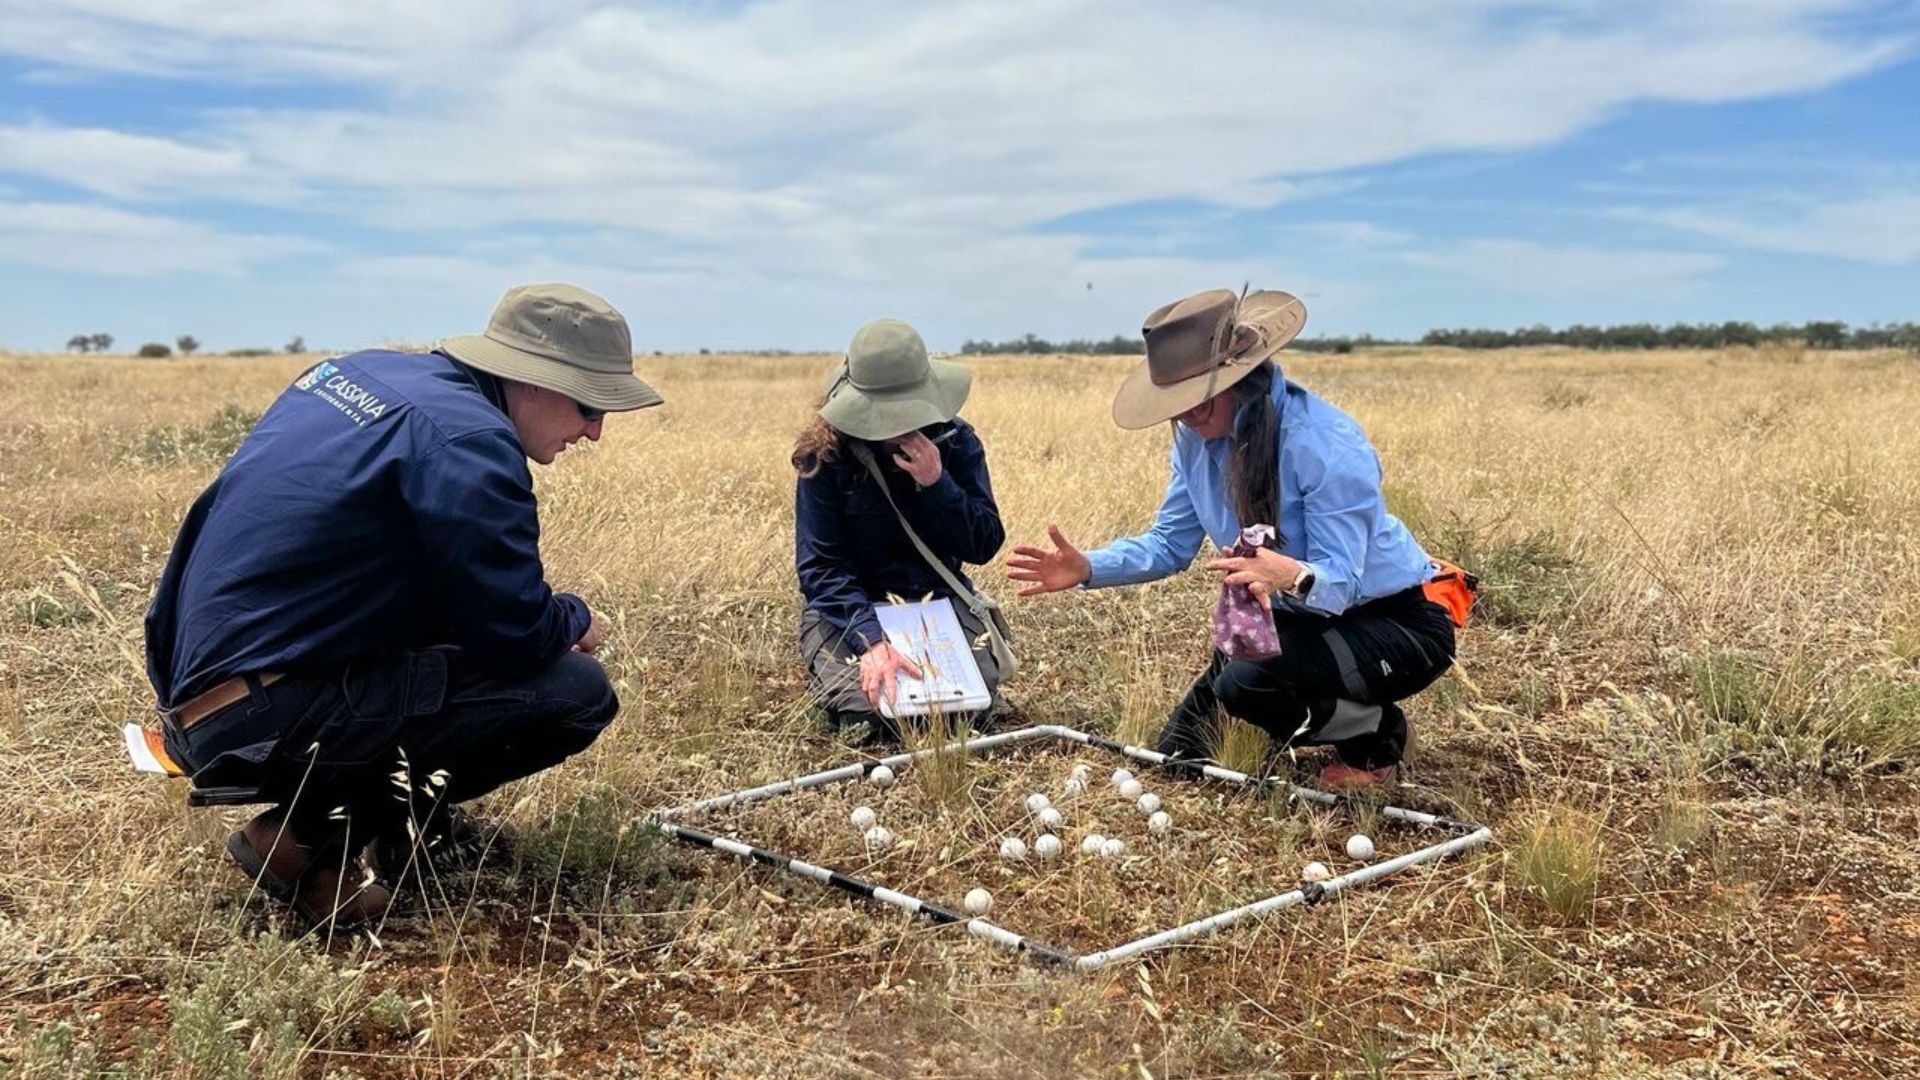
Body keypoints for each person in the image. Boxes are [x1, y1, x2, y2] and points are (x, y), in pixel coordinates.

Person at [145, 283, 662, 927]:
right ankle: (303, 838)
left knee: (450, 639)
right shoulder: (469, 441)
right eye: (590, 404)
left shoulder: (358, 374)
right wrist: (575, 618)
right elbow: (516, 634)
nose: (595, 431)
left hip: (204, 690)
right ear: (533, 378)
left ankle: (387, 840)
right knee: (575, 692)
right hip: (261, 716)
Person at [1006, 288, 1454, 791]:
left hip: (1391, 621)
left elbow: (1342, 582)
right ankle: (1302, 712)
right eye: (1175, 404)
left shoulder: (1324, 445)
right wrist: (1089, 567)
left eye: (1197, 400)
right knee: (1180, 754)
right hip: (1291, 622)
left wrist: (1291, 574)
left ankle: (1378, 733)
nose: (1185, 416)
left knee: (1247, 685)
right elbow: (1169, 545)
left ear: (1239, 379)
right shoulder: (1195, 444)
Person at [792, 318, 1007, 741]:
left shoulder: (957, 441)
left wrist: (937, 484)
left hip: (936, 601)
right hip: (849, 607)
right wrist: (871, 643)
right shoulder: (824, 457)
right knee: (869, 716)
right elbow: (821, 567)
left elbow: (983, 543)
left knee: (969, 709)